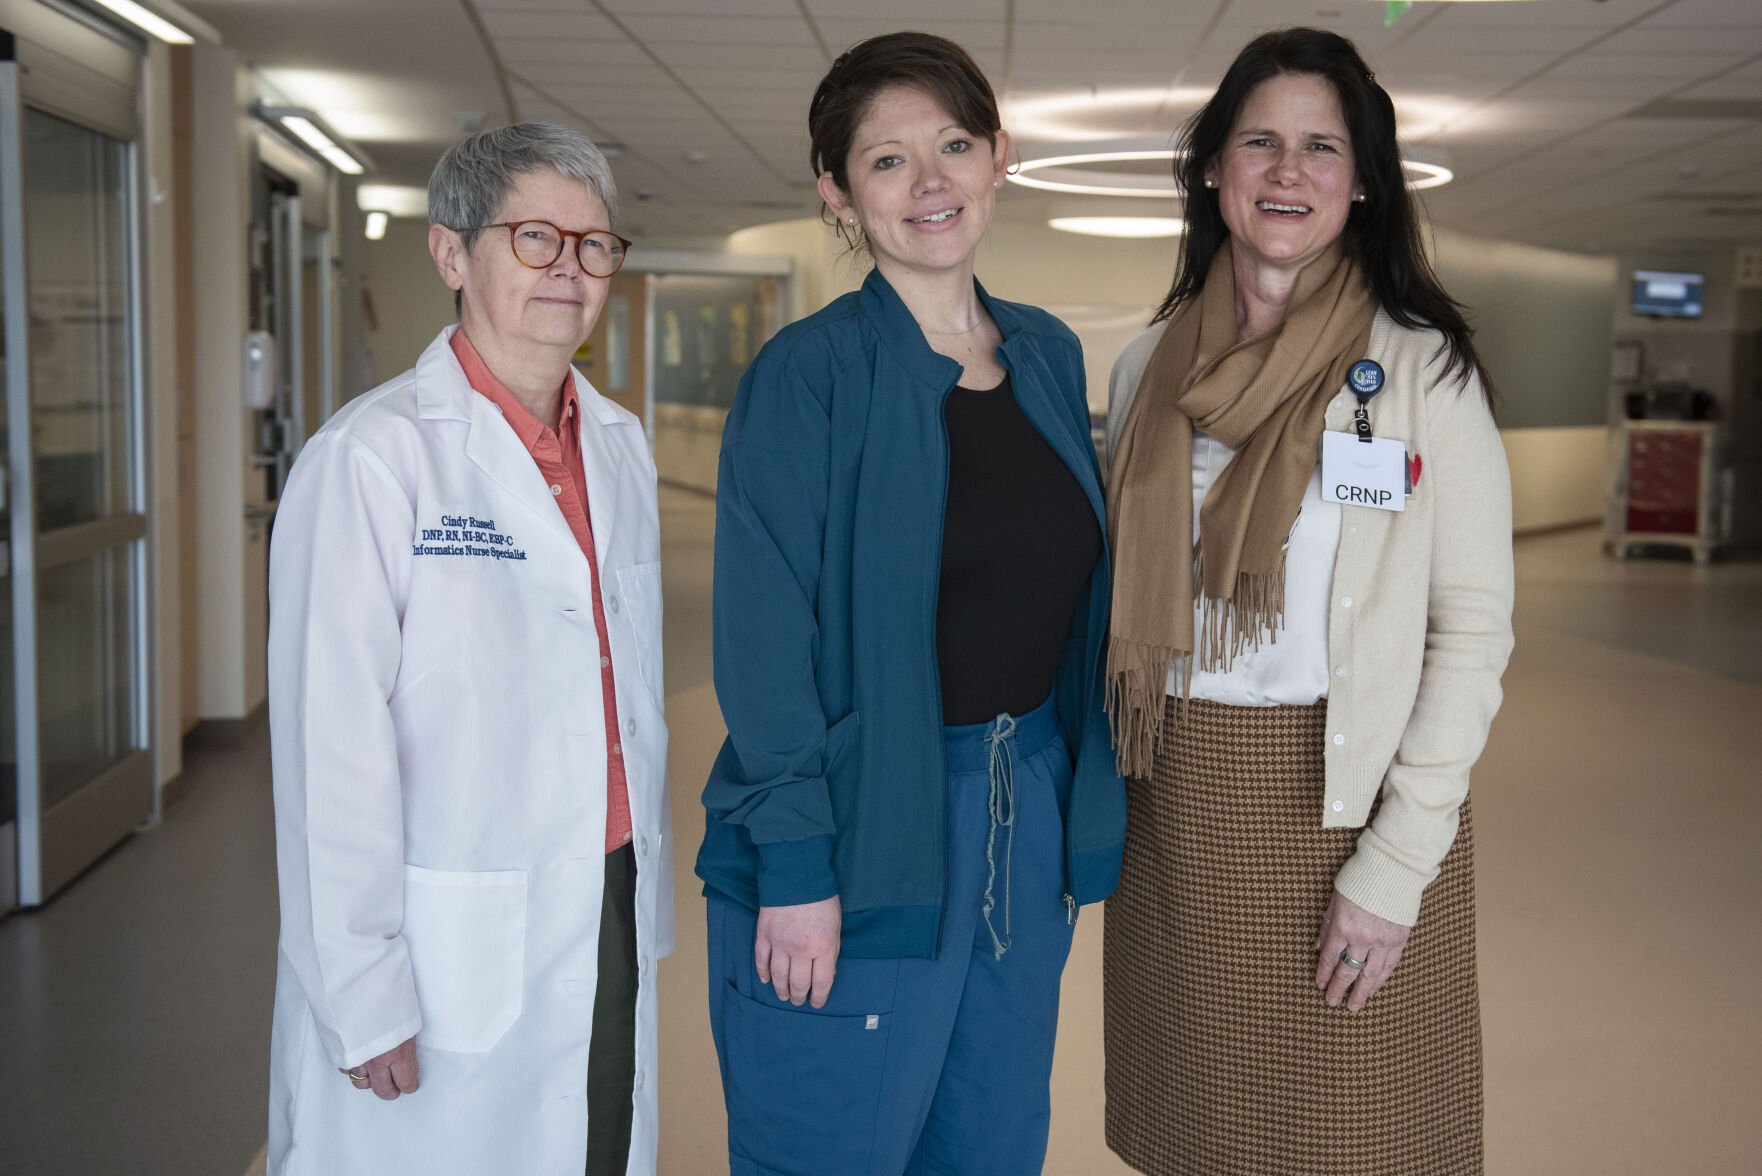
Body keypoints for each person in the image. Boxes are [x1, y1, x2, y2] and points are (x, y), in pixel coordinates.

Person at [695, 31, 1125, 1176]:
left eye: (952, 146)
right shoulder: (807, 377)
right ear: (837, 192)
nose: (930, 183)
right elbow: (764, 645)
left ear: (998, 159)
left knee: (988, 1144)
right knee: (829, 1146)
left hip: (1018, 818)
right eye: (887, 162)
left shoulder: (1043, 352)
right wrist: (795, 868)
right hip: (859, 818)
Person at [1100, 27, 1511, 1176]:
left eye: (1320, 147)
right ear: (1212, 171)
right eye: (1260, 142)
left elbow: (1470, 633)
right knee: (1192, 1132)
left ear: (1362, 180)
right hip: (1172, 800)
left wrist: (1392, 871)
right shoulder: (1147, 371)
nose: (1288, 171)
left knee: (1360, 1136)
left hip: (1344, 804)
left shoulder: (1421, 368)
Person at [265, 122, 672, 1176]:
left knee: (592, 1145)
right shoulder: (370, 456)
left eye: (593, 246)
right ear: (452, 254)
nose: (569, 270)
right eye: (535, 238)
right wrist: (359, 989)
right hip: (446, 918)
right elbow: (327, 746)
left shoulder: (618, 449)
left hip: (608, 888)